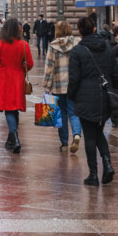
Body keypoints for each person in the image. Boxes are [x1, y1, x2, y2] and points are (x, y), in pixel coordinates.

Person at [68, 16, 118, 187]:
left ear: (80, 31)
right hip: (105, 97)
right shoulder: (107, 48)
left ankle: (93, 174)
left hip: (85, 97)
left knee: (90, 136)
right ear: (93, 29)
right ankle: (107, 164)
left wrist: (71, 95)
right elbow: (116, 73)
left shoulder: (78, 51)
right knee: (99, 132)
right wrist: (113, 90)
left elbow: (74, 78)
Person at [0, 18, 34, 153]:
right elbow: (30, 63)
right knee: (14, 108)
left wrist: (0, 70)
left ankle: (14, 138)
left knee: (8, 109)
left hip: (4, 79)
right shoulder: (23, 45)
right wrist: (22, 68)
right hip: (18, 78)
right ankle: (11, 139)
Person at [43, 21, 81, 153]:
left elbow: (49, 68)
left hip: (58, 85)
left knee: (61, 114)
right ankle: (76, 134)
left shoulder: (53, 46)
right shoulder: (77, 43)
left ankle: (64, 143)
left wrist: (46, 85)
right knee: (74, 112)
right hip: (74, 84)